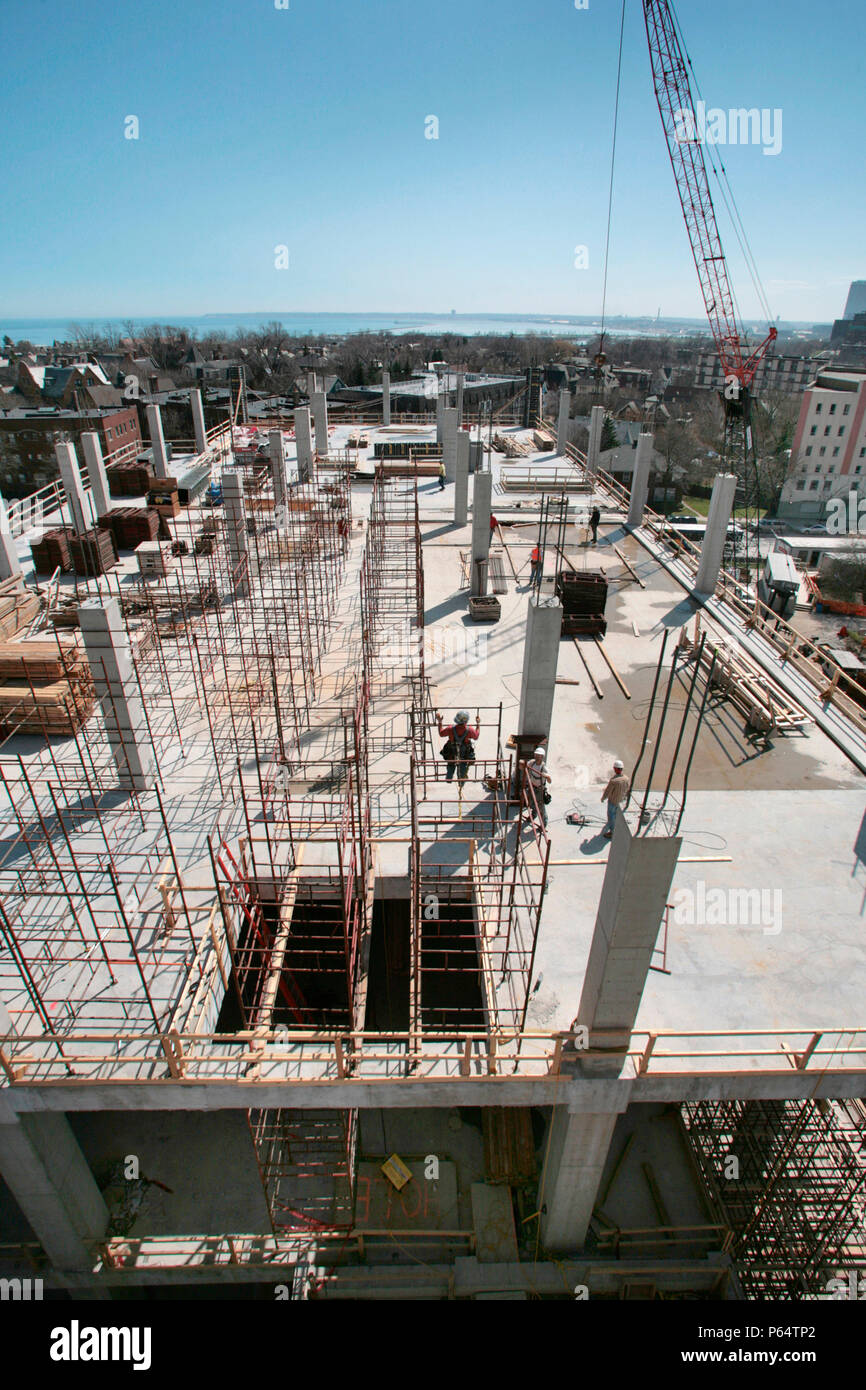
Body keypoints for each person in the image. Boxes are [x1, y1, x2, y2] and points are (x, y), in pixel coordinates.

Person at [437, 708, 480, 785]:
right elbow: (476, 736)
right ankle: (461, 783)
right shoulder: (470, 730)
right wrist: (478, 724)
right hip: (464, 755)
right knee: (462, 769)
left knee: (450, 765)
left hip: (451, 753)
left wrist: (440, 722)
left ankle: (449, 779)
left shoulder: (450, 728)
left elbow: (441, 733)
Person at [520, 748, 551, 826]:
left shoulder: (543, 768)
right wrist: (521, 763)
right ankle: (533, 815)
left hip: (539, 789)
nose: (537, 757)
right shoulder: (532, 763)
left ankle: (544, 824)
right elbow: (522, 767)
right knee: (531, 803)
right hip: (532, 787)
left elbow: (550, 781)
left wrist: (547, 777)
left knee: (540, 807)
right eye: (536, 755)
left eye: (539, 755)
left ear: (542, 757)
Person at [601, 758, 630, 838]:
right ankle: (615, 826)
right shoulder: (626, 778)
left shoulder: (614, 780)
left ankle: (612, 832)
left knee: (611, 816)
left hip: (613, 801)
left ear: (615, 769)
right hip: (621, 801)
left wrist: (603, 798)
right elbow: (627, 789)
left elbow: (607, 791)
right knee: (616, 815)